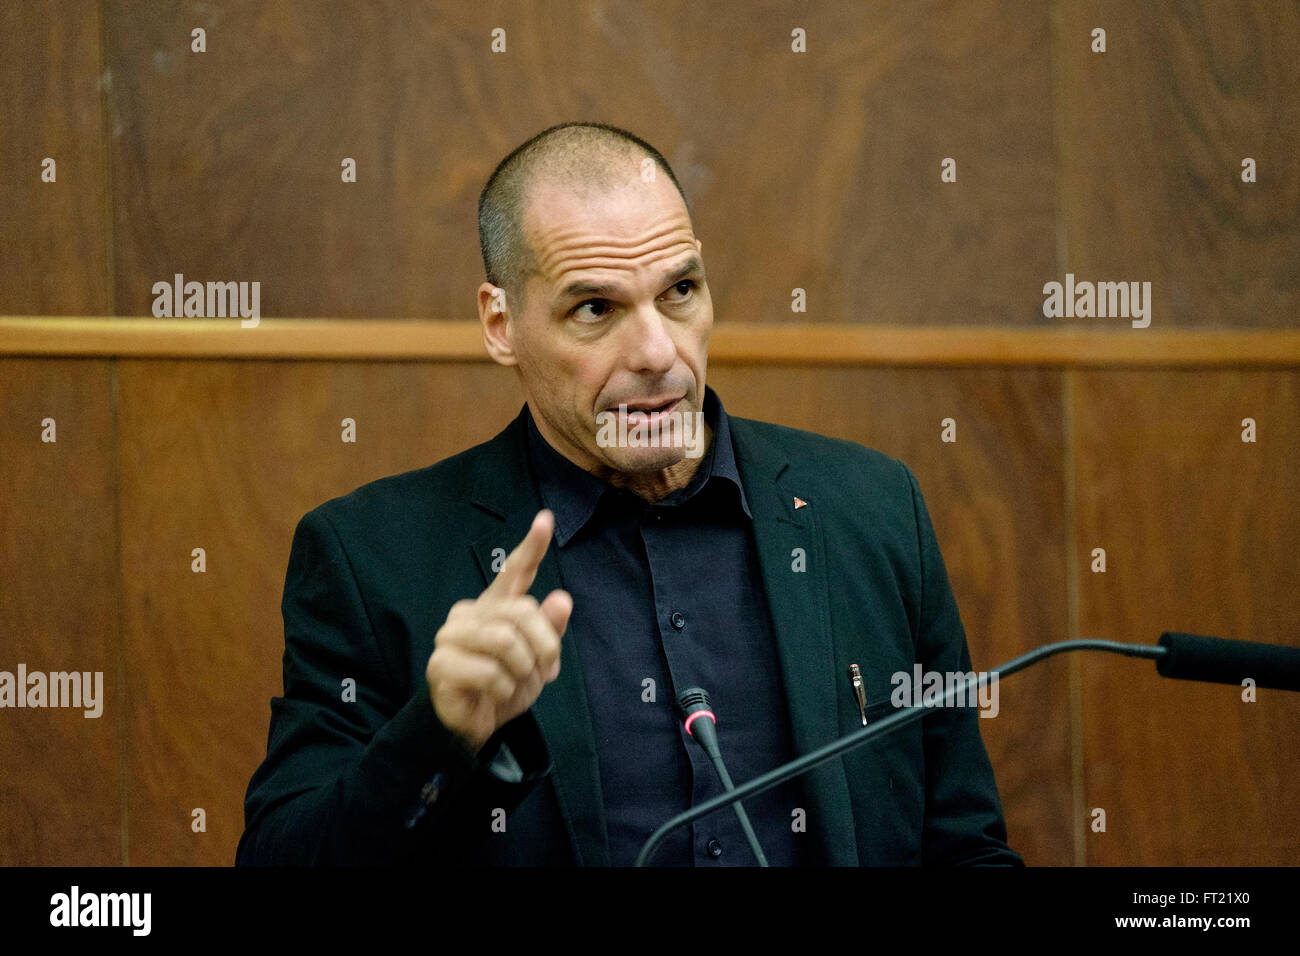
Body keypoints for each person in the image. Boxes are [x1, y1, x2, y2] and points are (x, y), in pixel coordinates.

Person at [236, 122, 1022, 866]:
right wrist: (437, 734)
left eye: (679, 291)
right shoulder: (372, 558)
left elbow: (965, 846)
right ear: (500, 324)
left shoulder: (872, 511)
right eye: (595, 309)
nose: (656, 352)